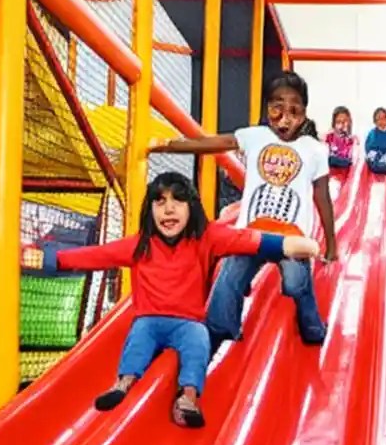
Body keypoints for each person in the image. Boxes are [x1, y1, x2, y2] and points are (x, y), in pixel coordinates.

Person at [23, 172, 319, 428]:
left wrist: (293, 245)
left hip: (188, 323)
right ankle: (122, 384)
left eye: (177, 202)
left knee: (199, 342)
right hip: (149, 320)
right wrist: (50, 259)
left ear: (192, 208)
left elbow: (250, 241)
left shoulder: (207, 238)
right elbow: (96, 255)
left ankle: (187, 398)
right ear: (149, 209)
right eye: (160, 202)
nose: (168, 210)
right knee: (138, 339)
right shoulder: (140, 245)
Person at [151, 70, 339, 354]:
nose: (284, 116)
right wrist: (170, 145)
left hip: (291, 237)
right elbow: (214, 143)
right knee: (227, 282)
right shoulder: (256, 136)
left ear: (303, 113)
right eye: (277, 107)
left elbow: (322, 196)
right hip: (250, 233)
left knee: (295, 284)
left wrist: (332, 243)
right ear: (267, 109)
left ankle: (312, 328)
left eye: (293, 109)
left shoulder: (314, 149)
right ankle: (219, 333)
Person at [364, 107, 386, 176]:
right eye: (379, 119)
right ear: (375, 121)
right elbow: (368, 148)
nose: (381, 121)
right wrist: (375, 155)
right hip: (375, 161)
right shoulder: (372, 133)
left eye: (384, 118)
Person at [325, 106, 357, 174]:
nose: (341, 125)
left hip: (346, 169)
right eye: (338, 122)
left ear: (349, 123)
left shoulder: (352, 140)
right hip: (331, 170)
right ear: (334, 123)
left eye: (344, 121)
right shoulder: (329, 137)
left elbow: (353, 160)